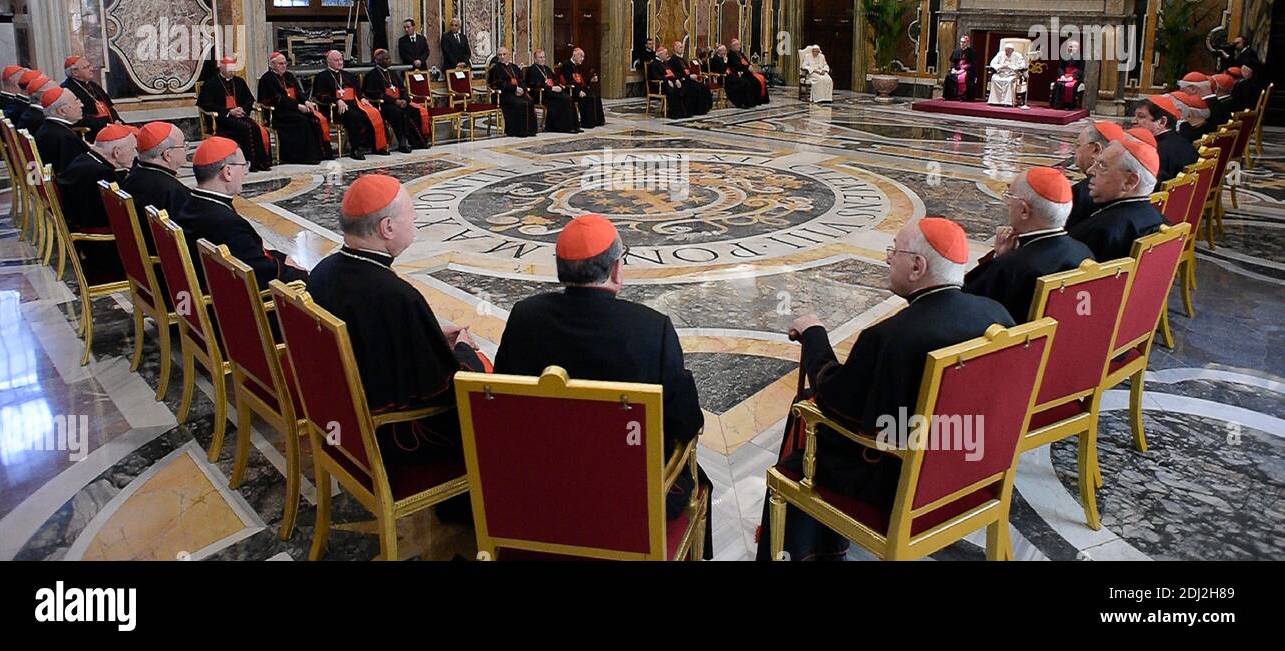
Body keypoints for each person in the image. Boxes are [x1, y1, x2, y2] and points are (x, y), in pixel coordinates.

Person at [756, 218, 1015, 560]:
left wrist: (814, 333)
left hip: (899, 482)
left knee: (805, 419)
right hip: (975, 463)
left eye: (895, 251)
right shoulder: (999, 315)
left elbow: (834, 397)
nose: (888, 258)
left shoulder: (891, 337)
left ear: (917, 266)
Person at [495, 214, 711, 539]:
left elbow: (503, 402)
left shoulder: (524, 317)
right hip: (631, 500)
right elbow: (687, 422)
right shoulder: (652, 329)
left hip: (541, 489)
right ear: (615, 270)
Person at [308, 174, 490, 468]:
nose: (416, 219)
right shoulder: (396, 296)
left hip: (339, 422)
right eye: (412, 214)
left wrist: (428, 333)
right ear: (387, 227)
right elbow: (445, 389)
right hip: (393, 438)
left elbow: (373, 338)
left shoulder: (323, 271)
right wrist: (466, 351)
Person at [174, 136, 308, 290]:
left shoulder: (194, 204)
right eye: (244, 166)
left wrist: (282, 259)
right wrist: (301, 274)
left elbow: (247, 253)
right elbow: (261, 273)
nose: (246, 173)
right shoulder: (226, 222)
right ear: (228, 172)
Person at [963, 167, 1094, 321]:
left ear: (1024, 210)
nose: (1007, 204)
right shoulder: (1083, 251)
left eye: (1009, 196)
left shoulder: (1010, 268)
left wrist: (998, 259)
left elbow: (966, 306)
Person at [56, 123, 137, 279]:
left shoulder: (85, 159)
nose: (135, 154)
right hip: (101, 249)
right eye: (133, 149)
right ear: (117, 152)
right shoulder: (101, 174)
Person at [1068, 136, 1166, 262]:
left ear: (1130, 181)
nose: (1090, 170)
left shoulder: (1104, 230)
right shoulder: (1157, 217)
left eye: (1102, 166)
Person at [198, 57, 272, 172]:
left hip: (240, 115)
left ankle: (261, 163)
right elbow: (206, 105)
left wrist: (242, 109)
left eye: (233, 69)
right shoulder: (211, 83)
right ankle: (249, 163)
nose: (232, 72)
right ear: (221, 67)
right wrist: (229, 112)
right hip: (222, 119)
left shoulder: (239, 81)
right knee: (245, 128)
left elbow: (249, 100)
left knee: (255, 127)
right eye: (229, 69)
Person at [121, 121, 191, 241]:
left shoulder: (134, 175)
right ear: (167, 155)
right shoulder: (174, 191)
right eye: (183, 145)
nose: (186, 149)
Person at [257, 52, 332, 164]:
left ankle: (319, 154)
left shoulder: (289, 76)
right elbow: (278, 99)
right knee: (303, 121)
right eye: (280, 64)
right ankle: (299, 157)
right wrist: (297, 106)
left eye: (285, 63)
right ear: (272, 65)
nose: (284, 66)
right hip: (278, 113)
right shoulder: (267, 79)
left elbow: (299, 93)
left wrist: (306, 101)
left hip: (295, 109)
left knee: (314, 120)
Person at [313, 49, 386, 161]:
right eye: (336, 60)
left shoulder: (349, 75)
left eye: (341, 59)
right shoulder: (322, 77)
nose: (340, 62)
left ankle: (375, 146)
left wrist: (362, 99)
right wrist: (337, 100)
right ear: (329, 62)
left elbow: (357, 91)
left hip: (353, 105)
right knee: (353, 116)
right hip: (334, 109)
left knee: (371, 114)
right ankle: (356, 148)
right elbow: (320, 96)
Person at [363, 49, 424, 152]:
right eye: (386, 59)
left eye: (389, 58)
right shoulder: (372, 75)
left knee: (414, 111)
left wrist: (404, 99)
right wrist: (394, 101)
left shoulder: (393, 73)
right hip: (384, 105)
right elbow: (374, 93)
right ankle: (402, 142)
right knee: (397, 113)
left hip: (399, 102)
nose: (389, 61)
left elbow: (402, 89)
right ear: (378, 61)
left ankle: (417, 141)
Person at [1066, 120, 1122, 230]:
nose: (1074, 151)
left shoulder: (1081, 192)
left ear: (1096, 150)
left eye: (1078, 145)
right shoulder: (1121, 188)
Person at [1132, 94, 1197, 184]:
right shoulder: (1181, 141)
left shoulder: (1157, 152)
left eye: (1141, 116)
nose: (1133, 121)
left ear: (1162, 122)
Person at [61, 55, 122, 138]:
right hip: (93, 133)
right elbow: (77, 118)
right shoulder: (67, 89)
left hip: (110, 127)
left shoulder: (93, 85)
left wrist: (116, 120)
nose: (91, 69)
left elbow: (110, 108)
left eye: (89, 66)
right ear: (75, 72)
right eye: (86, 67)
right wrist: (106, 124)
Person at [34, 87, 90, 174]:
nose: (81, 105)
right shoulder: (64, 137)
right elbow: (81, 170)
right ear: (62, 111)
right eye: (76, 101)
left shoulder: (49, 127)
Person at [487, 46, 537, 137]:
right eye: (500, 55)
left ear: (509, 55)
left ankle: (530, 130)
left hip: (517, 92)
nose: (502, 57)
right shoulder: (495, 69)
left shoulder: (514, 67)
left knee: (529, 102)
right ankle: (517, 131)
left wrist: (522, 89)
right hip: (503, 95)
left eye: (504, 54)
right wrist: (514, 88)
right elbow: (498, 84)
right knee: (519, 103)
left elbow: (521, 80)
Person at [525, 49, 578, 133]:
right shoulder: (532, 70)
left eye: (543, 57)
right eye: (540, 57)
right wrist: (551, 88)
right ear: (535, 59)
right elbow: (534, 84)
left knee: (569, 98)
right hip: (542, 94)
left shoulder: (547, 68)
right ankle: (563, 127)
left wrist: (558, 86)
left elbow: (555, 79)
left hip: (552, 93)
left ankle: (574, 125)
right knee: (564, 100)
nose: (542, 59)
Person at [559, 46, 604, 128]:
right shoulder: (566, 65)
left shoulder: (578, 66)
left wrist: (591, 80)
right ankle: (587, 123)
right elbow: (569, 81)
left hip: (580, 88)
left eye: (583, 57)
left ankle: (597, 121)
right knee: (588, 98)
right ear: (574, 55)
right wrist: (578, 91)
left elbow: (581, 80)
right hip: (571, 90)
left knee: (596, 96)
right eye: (581, 56)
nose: (583, 59)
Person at [670, 40, 713, 115]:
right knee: (696, 88)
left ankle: (704, 108)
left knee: (704, 87)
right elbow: (676, 73)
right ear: (675, 48)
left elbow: (689, 70)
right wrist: (689, 76)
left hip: (689, 79)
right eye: (680, 47)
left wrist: (694, 75)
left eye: (682, 47)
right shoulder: (672, 60)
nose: (682, 48)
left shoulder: (683, 59)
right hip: (683, 81)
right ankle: (695, 110)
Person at [726, 38, 768, 107]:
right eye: (737, 45)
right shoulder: (730, 54)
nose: (739, 46)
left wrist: (749, 65)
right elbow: (736, 65)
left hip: (746, 71)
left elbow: (747, 61)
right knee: (750, 82)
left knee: (759, 79)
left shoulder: (740, 54)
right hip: (739, 72)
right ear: (733, 46)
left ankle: (759, 100)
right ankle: (749, 102)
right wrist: (747, 67)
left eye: (739, 44)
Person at [648, 46, 687, 119]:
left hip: (668, 83)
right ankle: (673, 113)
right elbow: (655, 76)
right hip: (659, 85)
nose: (667, 55)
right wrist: (667, 81)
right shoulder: (654, 64)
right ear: (660, 55)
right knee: (672, 91)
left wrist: (676, 79)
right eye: (666, 54)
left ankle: (682, 112)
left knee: (681, 88)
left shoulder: (665, 63)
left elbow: (672, 73)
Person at [987, 41, 1025, 107]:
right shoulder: (1000, 54)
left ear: (1013, 50)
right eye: (1006, 50)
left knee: (1009, 81)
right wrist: (1000, 66)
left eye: (1009, 51)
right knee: (994, 78)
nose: (1007, 52)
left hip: (1012, 74)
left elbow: (1022, 66)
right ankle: (995, 101)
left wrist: (1010, 67)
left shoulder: (1018, 55)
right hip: (1000, 73)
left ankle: (1008, 101)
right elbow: (992, 63)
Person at [1053, 39, 1086, 110]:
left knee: (1071, 86)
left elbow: (1080, 70)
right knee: (1059, 84)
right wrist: (1062, 75)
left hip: (1075, 77)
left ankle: (1070, 106)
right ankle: (1059, 105)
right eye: (1069, 47)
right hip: (1065, 76)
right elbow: (1061, 68)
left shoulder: (1081, 57)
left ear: (1076, 48)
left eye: (1071, 47)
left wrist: (1072, 77)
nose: (1069, 48)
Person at [944, 35, 977, 101]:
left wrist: (962, 70)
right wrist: (953, 68)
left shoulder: (972, 52)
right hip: (957, 69)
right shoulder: (956, 51)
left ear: (968, 43)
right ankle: (951, 96)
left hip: (967, 71)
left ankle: (964, 96)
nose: (962, 44)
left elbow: (972, 64)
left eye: (964, 42)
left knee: (965, 77)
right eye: (961, 42)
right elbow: (953, 62)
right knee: (949, 76)